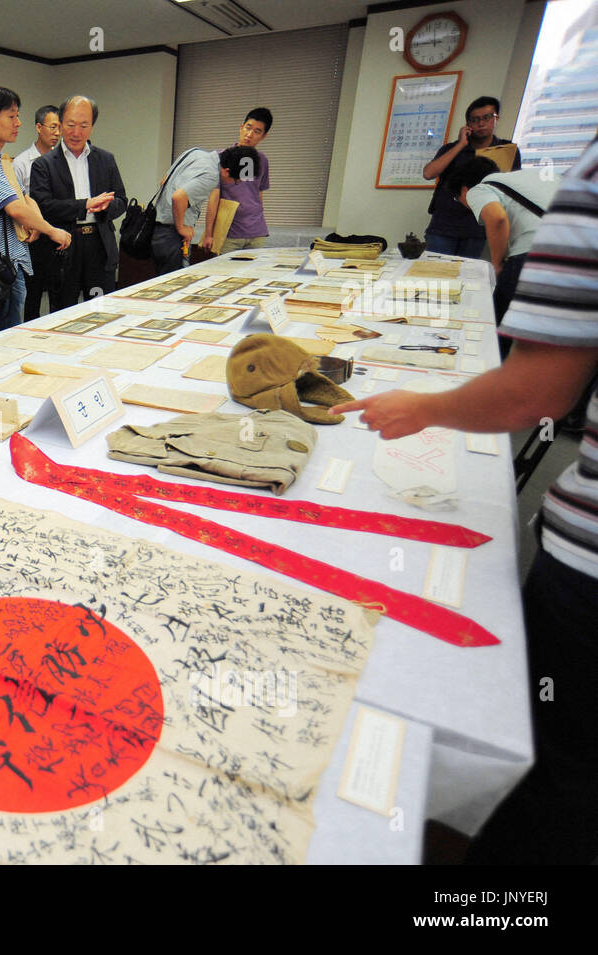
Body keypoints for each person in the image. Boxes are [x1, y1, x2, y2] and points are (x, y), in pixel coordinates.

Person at [332, 135, 598, 864]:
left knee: (561, 777)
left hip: (589, 571)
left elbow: (539, 389)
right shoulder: (541, 178)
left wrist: (424, 406)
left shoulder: (500, 192)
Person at [0, 87, 71, 334]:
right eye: (11, 116)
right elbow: (15, 208)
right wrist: (52, 231)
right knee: (7, 337)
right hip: (1, 266)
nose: (18, 123)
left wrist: (34, 220)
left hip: (9, 263)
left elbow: (23, 197)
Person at [30, 94, 127, 310]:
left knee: (101, 311)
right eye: (71, 124)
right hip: (64, 246)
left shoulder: (106, 159)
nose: (76, 132)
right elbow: (43, 207)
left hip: (99, 246)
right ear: (61, 124)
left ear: (92, 126)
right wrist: (85, 205)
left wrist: (106, 207)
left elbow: (121, 200)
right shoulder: (43, 165)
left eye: (84, 125)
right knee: (63, 314)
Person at [446, 156, 558, 322]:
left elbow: (497, 218)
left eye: (458, 199)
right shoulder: (538, 177)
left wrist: (497, 264)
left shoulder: (478, 190)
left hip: (535, 256)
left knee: (497, 322)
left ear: (464, 190)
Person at [421, 95, 522, 258]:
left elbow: (513, 187)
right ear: (468, 124)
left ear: (496, 119)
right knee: (435, 276)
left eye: (487, 117)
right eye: (475, 120)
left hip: (478, 228)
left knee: (465, 278)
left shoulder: (507, 151)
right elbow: (428, 173)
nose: (481, 124)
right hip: (444, 225)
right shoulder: (451, 149)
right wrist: (461, 145)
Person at [152, 145, 260, 276]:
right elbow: (178, 197)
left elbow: (164, 180)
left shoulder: (195, 152)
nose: (234, 184)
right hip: (172, 234)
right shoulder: (211, 176)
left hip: (159, 229)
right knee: (175, 283)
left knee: (165, 280)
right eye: (236, 181)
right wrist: (181, 228)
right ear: (226, 171)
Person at [201, 107, 272, 254]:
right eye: (248, 127)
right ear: (241, 127)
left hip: (256, 233)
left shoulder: (262, 160)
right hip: (229, 233)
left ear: (264, 136)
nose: (249, 134)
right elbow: (214, 197)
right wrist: (208, 233)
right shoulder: (222, 157)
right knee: (223, 275)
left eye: (257, 132)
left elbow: (257, 194)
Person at [12, 105, 61, 321]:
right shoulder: (22, 162)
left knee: (59, 293)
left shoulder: (62, 161)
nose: (57, 133)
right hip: (33, 237)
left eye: (60, 127)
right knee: (33, 292)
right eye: (52, 127)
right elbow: (17, 201)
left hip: (58, 233)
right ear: (39, 128)